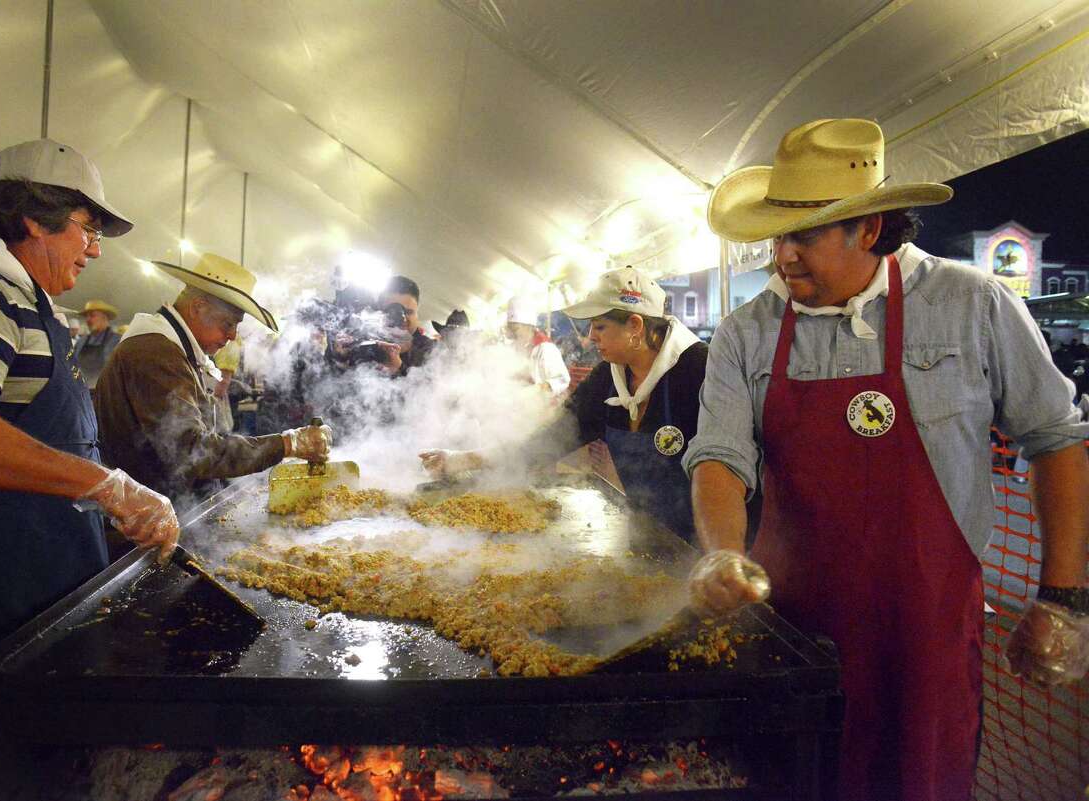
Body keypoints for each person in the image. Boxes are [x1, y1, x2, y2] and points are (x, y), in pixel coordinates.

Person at [682, 118, 1089, 801]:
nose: (782, 258)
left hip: (926, 635)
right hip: (792, 630)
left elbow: (1057, 439)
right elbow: (719, 454)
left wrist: (1063, 597)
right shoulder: (745, 332)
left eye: (802, 237)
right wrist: (721, 552)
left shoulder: (973, 305)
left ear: (868, 229)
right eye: (776, 237)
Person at [0, 138, 179, 669]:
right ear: (35, 220)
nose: (95, 249)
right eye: (87, 228)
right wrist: (108, 487)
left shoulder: (23, 301)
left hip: (24, 573)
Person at [419, 266, 707, 541]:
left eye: (600, 326)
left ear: (635, 325)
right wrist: (463, 459)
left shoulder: (699, 369)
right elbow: (552, 438)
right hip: (646, 528)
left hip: (708, 538)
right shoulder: (608, 375)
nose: (591, 336)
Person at [94, 252, 331, 502]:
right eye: (228, 323)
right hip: (144, 509)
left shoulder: (170, 347)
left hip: (161, 499)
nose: (231, 336)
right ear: (198, 307)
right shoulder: (156, 351)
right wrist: (288, 444)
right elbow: (190, 451)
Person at [504, 296, 571, 397]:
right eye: (511, 329)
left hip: (543, 407)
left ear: (528, 326)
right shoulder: (514, 346)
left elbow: (562, 380)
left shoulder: (545, 348)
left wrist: (536, 389)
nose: (514, 334)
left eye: (516, 329)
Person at [379, 275, 435, 375]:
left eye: (409, 312)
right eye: (393, 312)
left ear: (417, 313)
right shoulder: (368, 344)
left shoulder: (432, 351)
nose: (402, 320)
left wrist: (399, 370)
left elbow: (439, 388)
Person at [72, 299, 121, 389]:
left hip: (106, 392)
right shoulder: (81, 341)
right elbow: (72, 365)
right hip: (82, 392)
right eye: (86, 316)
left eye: (92, 316)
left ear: (104, 318)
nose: (88, 320)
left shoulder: (117, 341)